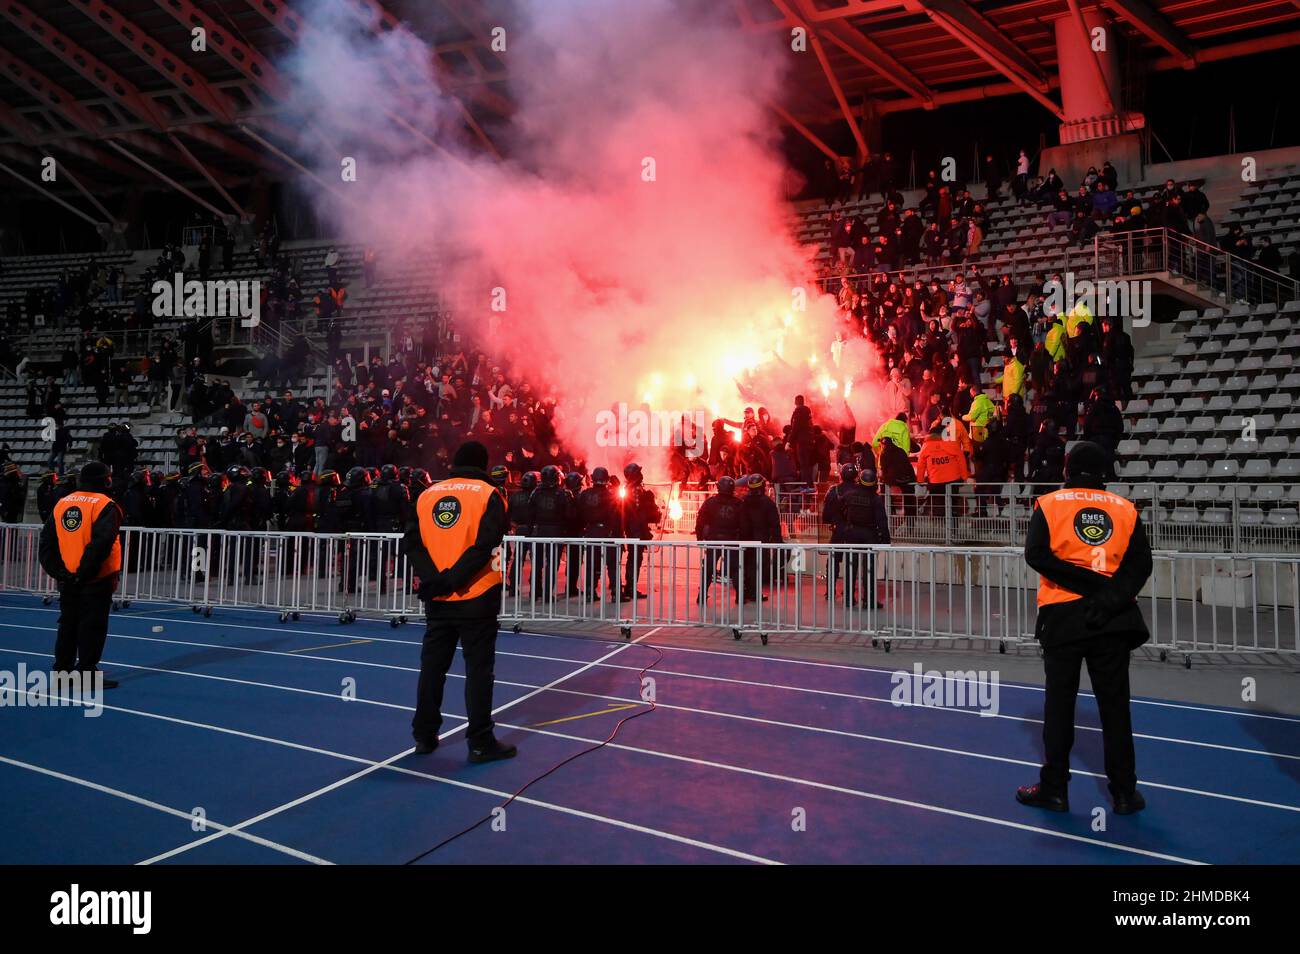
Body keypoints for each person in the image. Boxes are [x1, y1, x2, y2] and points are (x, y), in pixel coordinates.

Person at [1017, 441, 1152, 816]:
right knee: (1115, 709)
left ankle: (1055, 790)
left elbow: (1037, 555)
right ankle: (1125, 793)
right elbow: (1141, 564)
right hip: (1112, 621)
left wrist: (1085, 587)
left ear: (1067, 470)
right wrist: (1107, 595)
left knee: (1059, 707)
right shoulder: (1125, 509)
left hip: (1063, 618)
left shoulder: (1050, 504)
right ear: (1104, 472)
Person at [402, 440, 514, 763]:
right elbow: (484, 546)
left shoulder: (427, 495)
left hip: (436, 597)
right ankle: (480, 741)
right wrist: (453, 579)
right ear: (483, 464)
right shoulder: (489, 494)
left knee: (432, 669)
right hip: (476, 596)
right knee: (478, 671)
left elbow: (412, 542)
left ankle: (424, 735)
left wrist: (435, 579)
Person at [38, 461, 123, 689]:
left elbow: (47, 544)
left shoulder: (62, 503)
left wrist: (61, 573)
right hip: (95, 579)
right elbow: (101, 544)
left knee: (68, 625)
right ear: (105, 480)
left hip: (67, 578)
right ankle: (85, 674)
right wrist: (83, 573)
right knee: (92, 627)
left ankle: (62, 672)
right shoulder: (106, 505)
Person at [695, 475, 744, 604]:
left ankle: (702, 595)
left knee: (708, 569)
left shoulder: (710, 503)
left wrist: (700, 538)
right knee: (735, 569)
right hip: (732, 541)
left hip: (713, 540)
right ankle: (740, 597)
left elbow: (700, 521)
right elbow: (744, 524)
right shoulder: (739, 504)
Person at [620, 462, 661, 600]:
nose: (641, 475)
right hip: (636, 529)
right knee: (635, 558)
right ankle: (630, 588)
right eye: (638, 472)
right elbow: (637, 512)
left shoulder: (630, 488)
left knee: (634, 557)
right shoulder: (635, 490)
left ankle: (630, 587)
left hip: (634, 528)